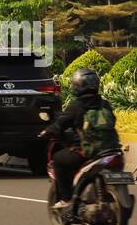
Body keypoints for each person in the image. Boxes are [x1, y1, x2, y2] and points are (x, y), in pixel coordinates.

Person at [43, 67, 120, 209]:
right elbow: (113, 122)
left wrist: (47, 131)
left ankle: (66, 199)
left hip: (88, 152)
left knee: (59, 160)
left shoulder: (76, 105)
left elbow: (60, 123)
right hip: (112, 149)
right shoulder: (105, 104)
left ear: (79, 86)